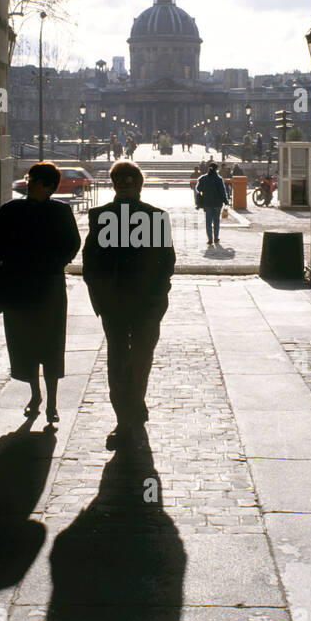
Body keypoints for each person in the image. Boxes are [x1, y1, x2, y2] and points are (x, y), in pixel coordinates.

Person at [82, 161, 175, 447]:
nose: (124, 183)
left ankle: (130, 409)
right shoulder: (156, 216)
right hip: (140, 302)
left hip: (122, 301)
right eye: (120, 178)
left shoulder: (101, 216)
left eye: (127, 178)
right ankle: (127, 416)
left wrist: (99, 294)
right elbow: (166, 262)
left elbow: (90, 262)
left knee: (120, 359)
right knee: (137, 358)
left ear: (137, 182)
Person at [0, 161, 81, 424]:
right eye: (31, 179)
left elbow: (72, 244)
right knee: (23, 344)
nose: (31, 184)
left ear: (50, 186)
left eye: (38, 181)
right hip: (20, 285)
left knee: (51, 344)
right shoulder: (10, 209)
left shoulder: (60, 212)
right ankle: (35, 394)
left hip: (47, 285)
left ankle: (52, 400)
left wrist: (49, 263)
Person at [195, 160, 228, 248]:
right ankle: (216, 237)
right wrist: (226, 201)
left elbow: (198, 188)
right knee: (216, 221)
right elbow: (222, 191)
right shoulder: (219, 179)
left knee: (208, 222)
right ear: (216, 169)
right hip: (217, 203)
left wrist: (205, 191)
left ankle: (210, 239)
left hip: (207, 203)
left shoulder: (203, 178)